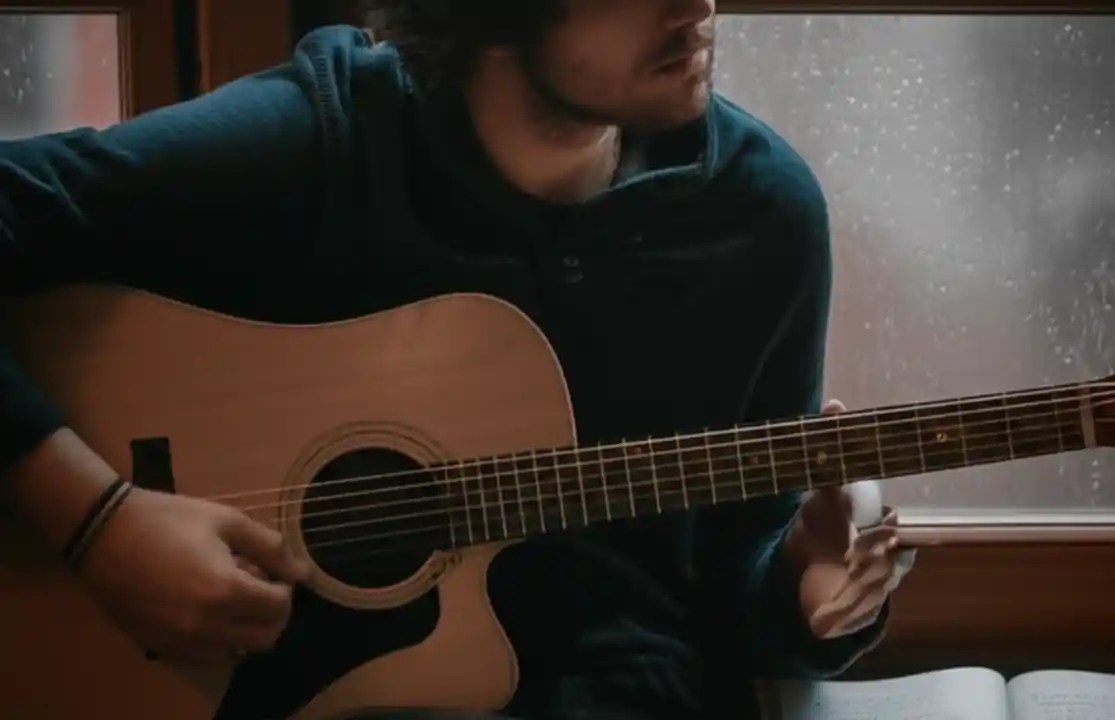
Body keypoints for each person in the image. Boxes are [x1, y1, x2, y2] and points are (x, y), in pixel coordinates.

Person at [0, 0, 914, 717]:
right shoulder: (319, 142)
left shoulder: (761, 217)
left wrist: (802, 588)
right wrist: (95, 519)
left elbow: (730, 585)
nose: (697, 5)